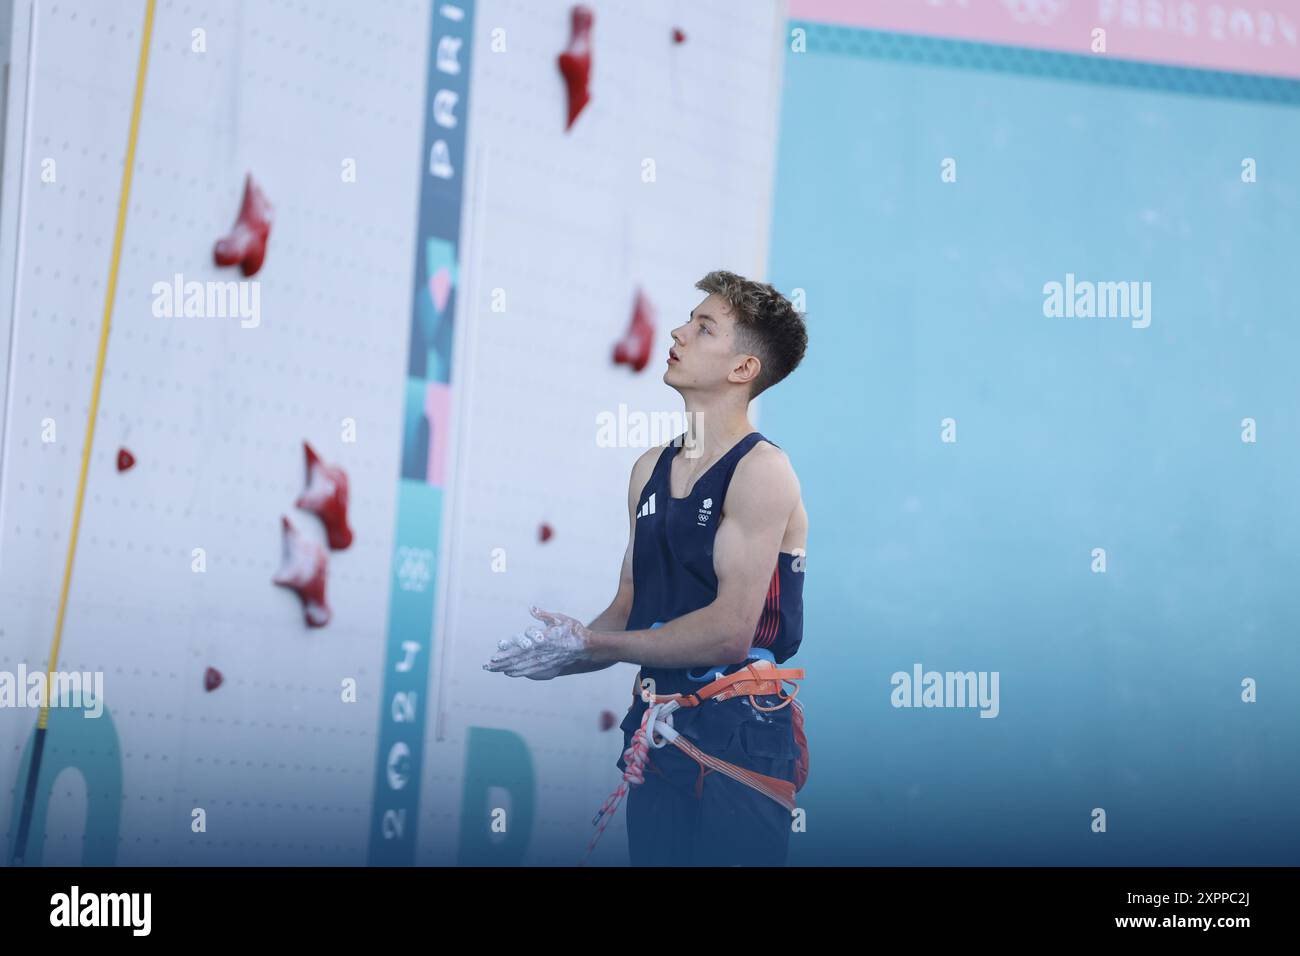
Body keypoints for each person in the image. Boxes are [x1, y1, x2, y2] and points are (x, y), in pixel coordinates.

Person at [485, 270, 809, 866]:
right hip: (658, 725)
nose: (680, 331)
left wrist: (598, 643)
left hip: (741, 736)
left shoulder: (762, 472)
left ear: (742, 369)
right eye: (690, 318)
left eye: (704, 326)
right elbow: (631, 605)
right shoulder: (648, 469)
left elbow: (729, 631)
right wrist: (572, 648)